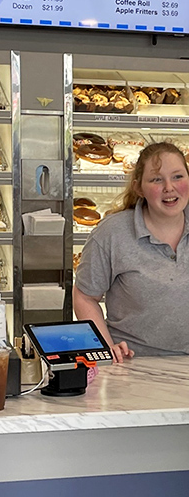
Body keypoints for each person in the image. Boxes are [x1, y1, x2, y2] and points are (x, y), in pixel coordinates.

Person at [74, 141, 189, 361]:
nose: (169, 187)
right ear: (138, 188)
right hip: (134, 366)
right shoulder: (112, 233)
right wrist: (106, 348)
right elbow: (84, 296)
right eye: (156, 179)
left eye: (178, 176)